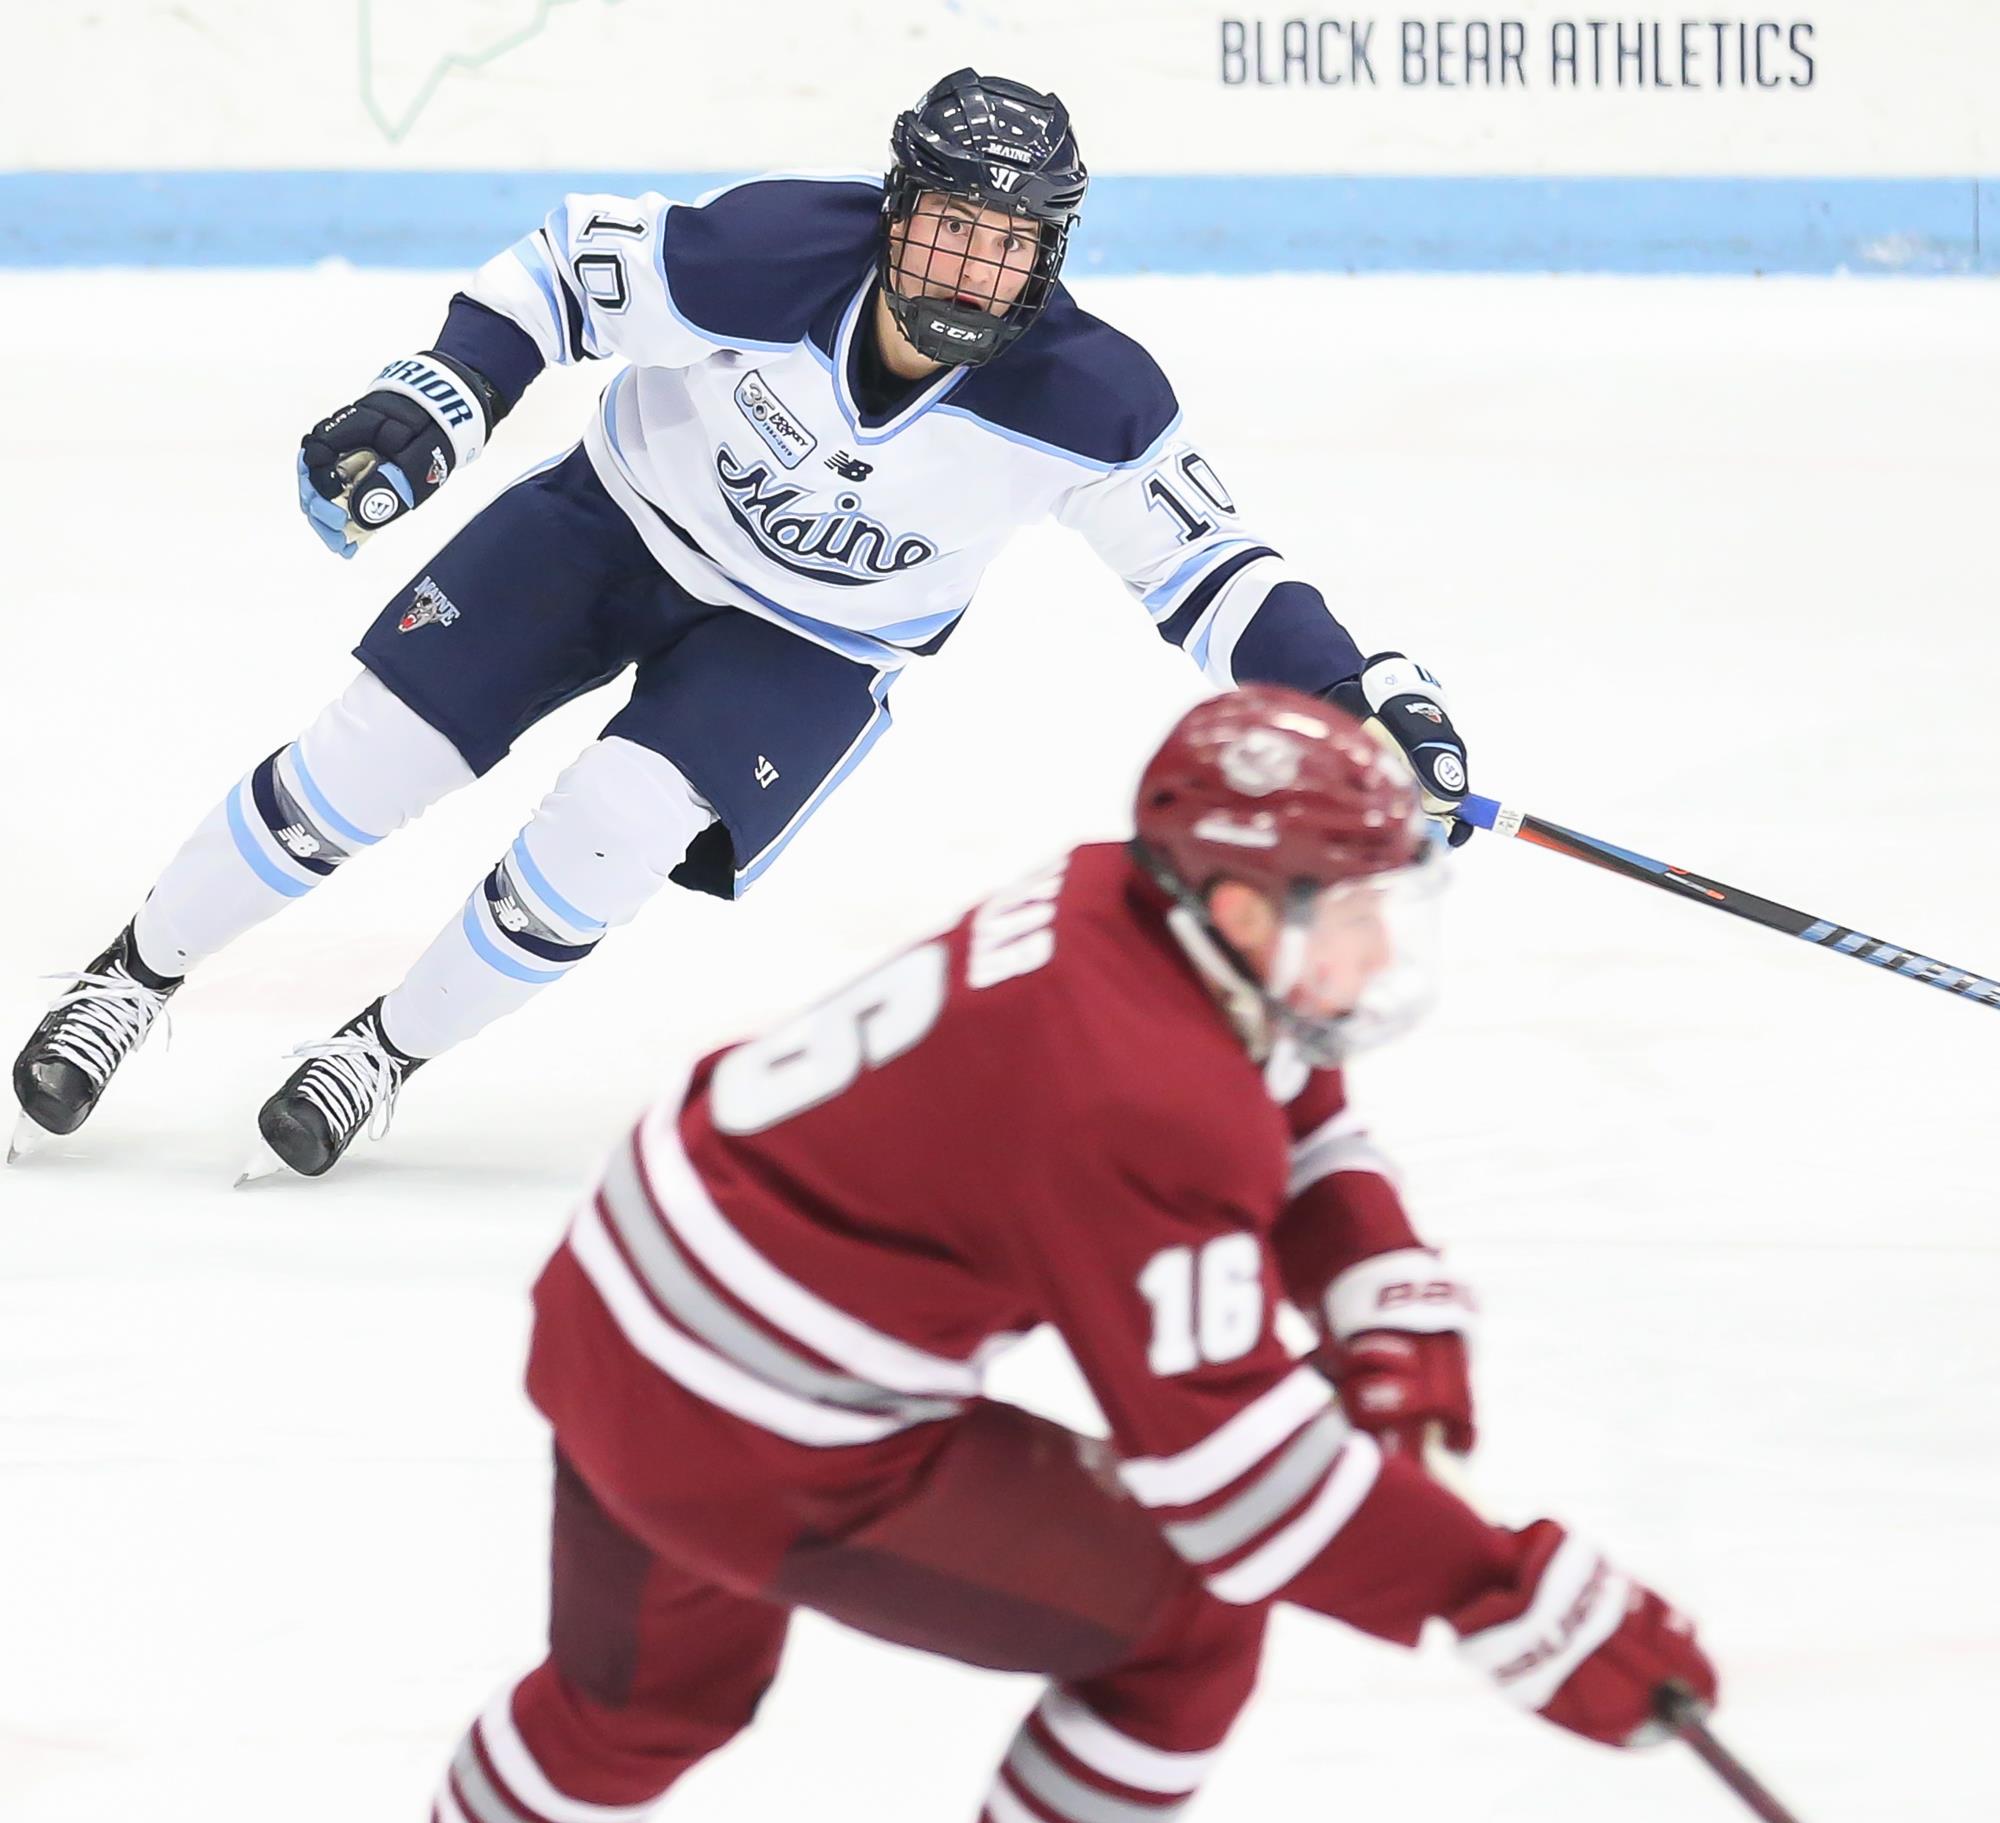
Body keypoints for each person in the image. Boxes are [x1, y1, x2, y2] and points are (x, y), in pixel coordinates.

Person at [341, 685, 1713, 1823]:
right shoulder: (1144, 1098)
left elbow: (1284, 1091)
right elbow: (1234, 1484)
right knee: (1186, 1630)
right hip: (760, 1428)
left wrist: (1381, 1296)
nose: (1373, 945)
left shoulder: (1117, 892)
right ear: (1238, 908)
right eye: (1347, 909)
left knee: (637, 1697)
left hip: (620, 1311)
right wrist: (1506, 1591)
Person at [8, 67, 1473, 1180]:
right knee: (360, 768)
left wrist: (1366, 696)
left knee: (610, 832)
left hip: (814, 647)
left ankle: (380, 1058)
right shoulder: (769, 253)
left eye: (1010, 247)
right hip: (610, 526)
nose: (977, 271)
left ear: (1053, 254)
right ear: (897, 214)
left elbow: (1218, 578)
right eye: (954, 231)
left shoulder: (1092, 400)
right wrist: (438, 394)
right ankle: (125, 983)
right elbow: (552, 275)